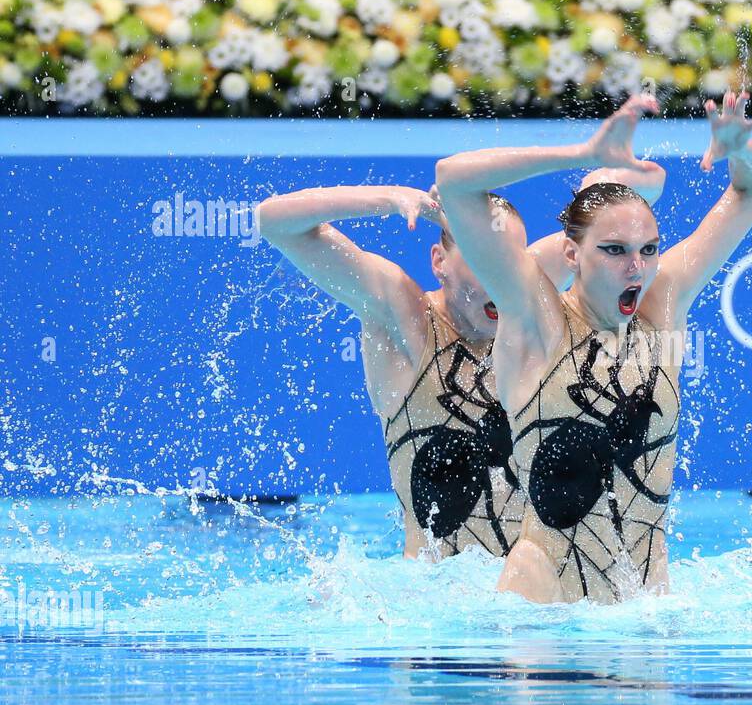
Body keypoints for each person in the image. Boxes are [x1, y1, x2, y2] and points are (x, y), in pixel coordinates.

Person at [436, 91, 752, 602]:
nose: (636, 267)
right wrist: (582, 156)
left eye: (648, 249)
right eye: (615, 251)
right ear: (572, 253)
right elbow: (453, 182)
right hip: (541, 601)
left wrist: (741, 149)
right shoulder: (535, 316)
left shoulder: (662, 305)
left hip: (643, 604)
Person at [254, 158, 666, 561]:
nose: (494, 276)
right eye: (476, 259)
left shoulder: (527, 303)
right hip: (437, 600)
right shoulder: (406, 319)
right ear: (439, 262)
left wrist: (604, 175)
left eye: (500, 260)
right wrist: (389, 198)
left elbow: (635, 204)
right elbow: (275, 221)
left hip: (527, 592)